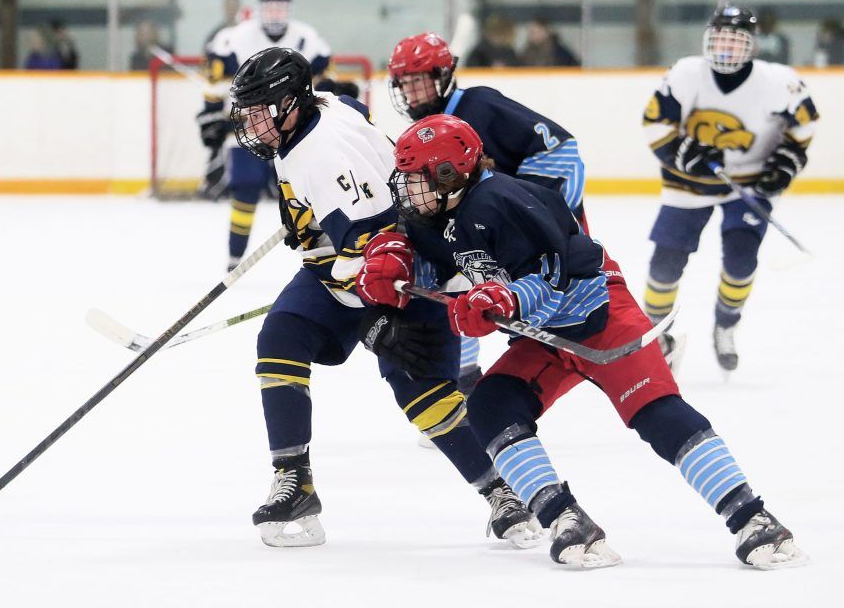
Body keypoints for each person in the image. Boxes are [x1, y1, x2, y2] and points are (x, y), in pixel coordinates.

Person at [357, 112, 808, 570]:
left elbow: (555, 275)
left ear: (449, 174)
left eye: (416, 178)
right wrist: (393, 260)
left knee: (656, 414)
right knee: (492, 407)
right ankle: (567, 520)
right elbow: (431, 254)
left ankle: (755, 520)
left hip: (600, 316)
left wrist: (506, 298)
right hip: (547, 337)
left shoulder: (501, 202)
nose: (406, 189)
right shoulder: (439, 211)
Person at [229, 47, 541, 549]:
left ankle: (503, 492)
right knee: (281, 337)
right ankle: (295, 482)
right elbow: (355, 110)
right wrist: (308, 219)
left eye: (259, 112)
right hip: (346, 261)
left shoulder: (322, 158)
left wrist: (373, 321)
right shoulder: (324, 105)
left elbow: (380, 248)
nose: (251, 125)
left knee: (423, 394)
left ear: (288, 104)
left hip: (406, 268)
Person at [388, 32, 591, 386]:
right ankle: (465, 378)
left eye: (418, 81)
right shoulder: (429, 131)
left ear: (443, 75)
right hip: (492, 231)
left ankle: (647, 351)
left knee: (578, 312)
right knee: (464, 288)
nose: (411, 93)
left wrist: (527, 209)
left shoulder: (479, 106)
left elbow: (560, 148)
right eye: (404, 84)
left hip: (541, 230)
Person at [641, 4, 817, 373]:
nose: (726, 47)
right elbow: (655, 122)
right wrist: (682, 152)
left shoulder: (778, 82)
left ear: (752, 45)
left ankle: (726, 325)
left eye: (735, 40)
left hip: (749, 185)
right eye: (720, 38)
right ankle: (656, 334)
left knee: (741, 260)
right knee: (665, 264)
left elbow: (804, 126)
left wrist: (783, 165)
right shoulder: (686, 73)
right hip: (688, 185)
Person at [200, 0, 331, 271]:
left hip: (291, 128)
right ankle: (235, 257)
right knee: (246, 186)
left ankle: (322, 250)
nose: (275, 14)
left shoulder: (307, 38)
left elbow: (320, 84)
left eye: (280, 8)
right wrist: (211, 114)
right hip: (250, 125)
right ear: (259, 10)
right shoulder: (235, 37)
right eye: (270, 8)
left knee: (306, 188)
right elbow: (215, 81)